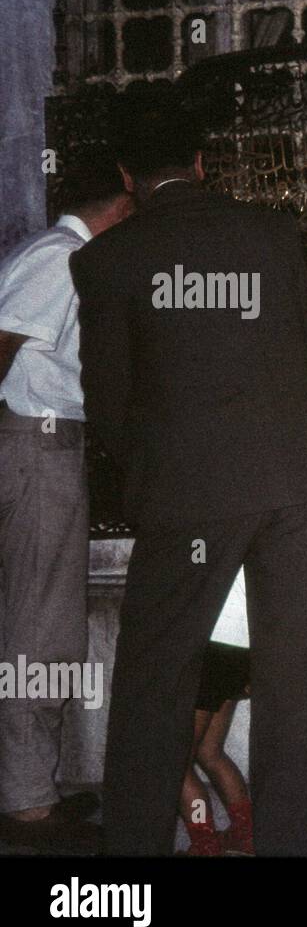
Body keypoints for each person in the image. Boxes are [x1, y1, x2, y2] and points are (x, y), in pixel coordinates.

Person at [70, 93, 307, 856]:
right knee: (295, 689)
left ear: (127, 176)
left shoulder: (106, 260)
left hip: (189, 492)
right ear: (201, 163)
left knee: (154, 686)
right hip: (303, 482)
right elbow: (298, 346)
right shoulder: (274, 232)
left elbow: (110, 403)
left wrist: (160, 472)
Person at [0, 157, 134, 853]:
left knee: (37, 618)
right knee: (41, 625)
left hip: (42, 443)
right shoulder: (62, 257)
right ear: (124, 203)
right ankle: (27, 805)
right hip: (37, 443)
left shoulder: (53, 251)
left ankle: (31, 788)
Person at [179, 568, 253, 856]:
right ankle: (246, 836)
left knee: (176, 762)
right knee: (209, 751)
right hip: (243, 644)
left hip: (211, 643)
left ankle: (205, 845)